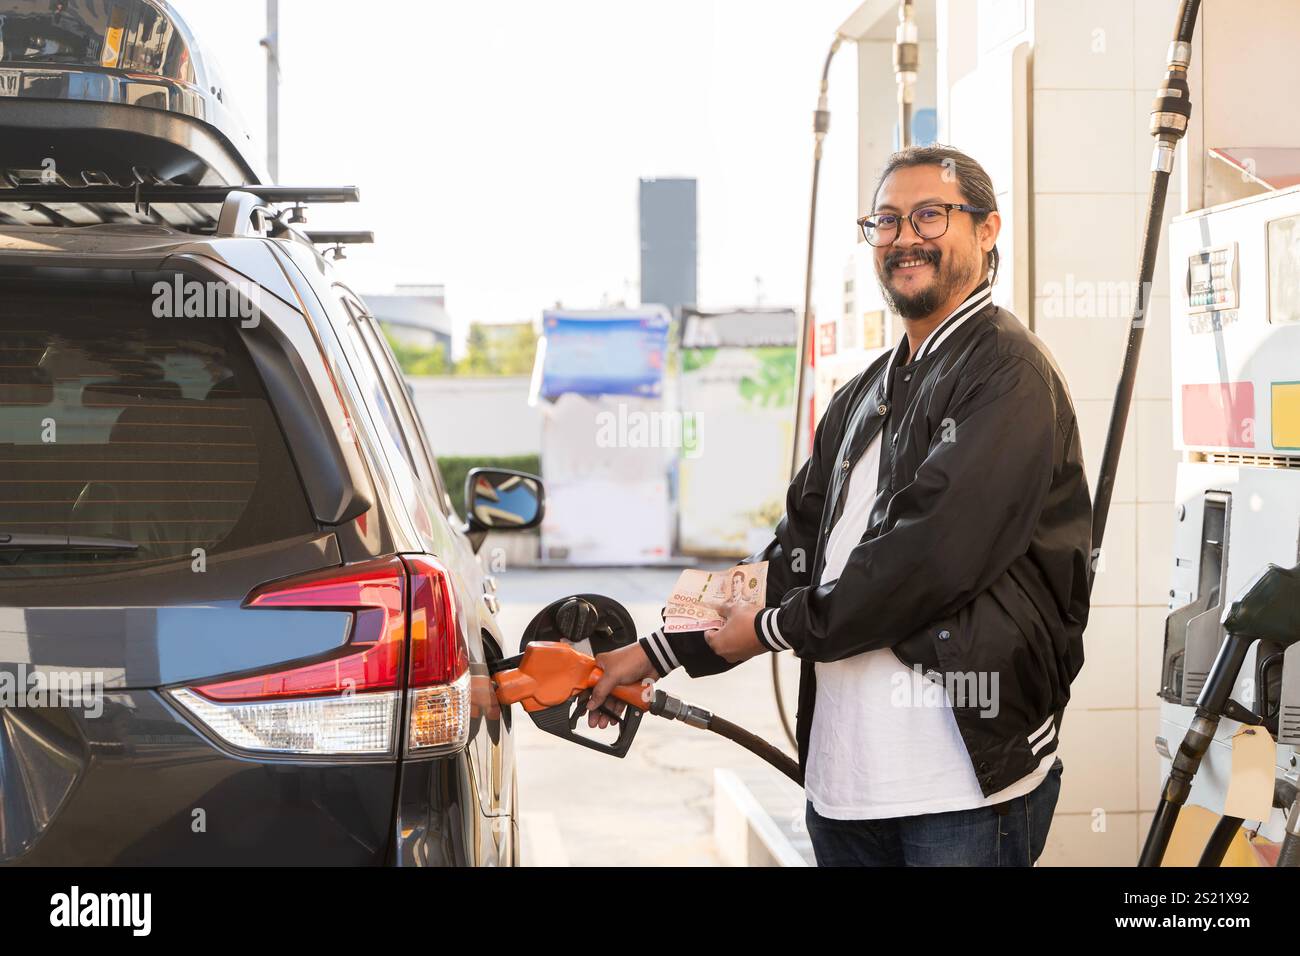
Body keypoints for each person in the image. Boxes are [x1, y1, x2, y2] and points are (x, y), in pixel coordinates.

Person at [590, 145, 1091, 866]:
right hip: (845, 788)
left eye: (929, 215)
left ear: (987, 230)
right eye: (885, 222)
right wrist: (657, 650)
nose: (904, 238)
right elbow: (792, 554)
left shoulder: (1007, 374)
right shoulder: (865, 394)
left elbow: (926, 559)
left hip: (961, 792)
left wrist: (767, 630)